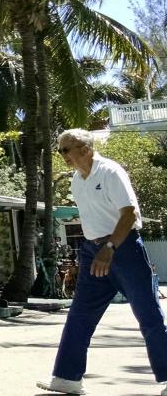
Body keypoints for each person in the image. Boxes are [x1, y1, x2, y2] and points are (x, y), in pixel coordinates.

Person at [38, 129, 167, 395]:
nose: (62, 155)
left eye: (66, 149)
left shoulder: (110, 172)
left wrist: (110, 247)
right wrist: (94, 249)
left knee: (149, 316)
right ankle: (67, 378)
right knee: (80, 316)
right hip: (92, 251)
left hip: (124, 249)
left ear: (85, 149)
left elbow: (130, 213)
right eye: (60, 150)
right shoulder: (76, 181)